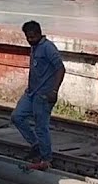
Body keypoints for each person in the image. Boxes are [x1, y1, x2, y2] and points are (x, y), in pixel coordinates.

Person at [11, 21, 65, 171]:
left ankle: (46, 158)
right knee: (17, 116)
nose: (30, 40)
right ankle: (36, 145)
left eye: (32, 37)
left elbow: (60, 68)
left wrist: (54, 91)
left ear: (39, 33)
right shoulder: (35, 47)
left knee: (41, 127)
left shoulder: (48, 48)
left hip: (44, 95)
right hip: (31, 93)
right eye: (28, 37)